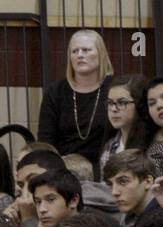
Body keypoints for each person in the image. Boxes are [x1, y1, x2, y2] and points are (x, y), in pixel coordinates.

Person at [37, 29, 114, 167]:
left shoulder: (114, 88)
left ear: (100, 54)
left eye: (86, 50)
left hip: (105, 167)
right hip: (63, 169)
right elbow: (46, 140)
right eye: (75, 51)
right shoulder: (55, 92)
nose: (80, 55)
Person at [104, 149, 158, 227]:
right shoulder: (127, 220)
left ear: (148, 181)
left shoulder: (162, 221)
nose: (114, 192)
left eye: (123, 181)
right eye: (110, 184)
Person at [99, 75, 155, 174]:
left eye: (122, 102)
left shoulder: (154, 144)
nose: (114, 109)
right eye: (110, 103)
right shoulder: (110, 145)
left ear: (139, 104)